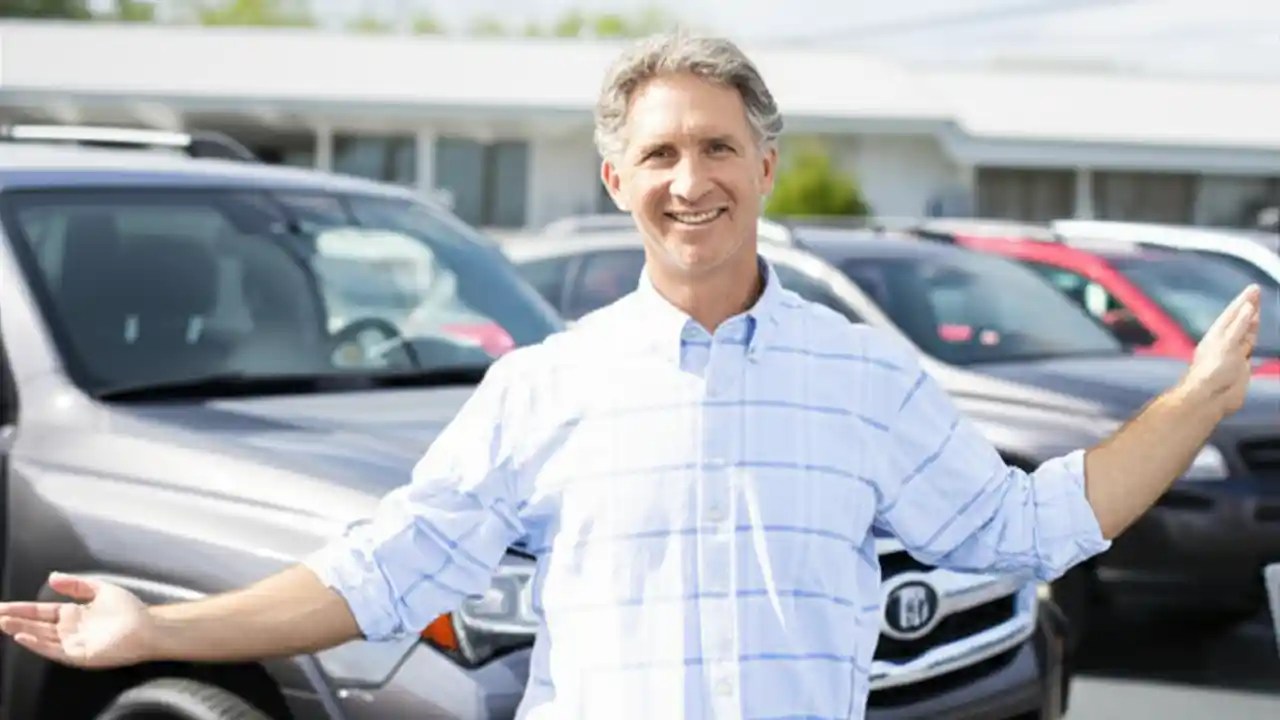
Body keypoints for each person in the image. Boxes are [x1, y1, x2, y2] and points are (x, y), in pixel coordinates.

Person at [0, 33, 1263, 719]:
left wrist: (1192, 399)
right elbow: (375, 579)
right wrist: (160, 630)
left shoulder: (865, 377)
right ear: (617, 181)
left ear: (766, 167)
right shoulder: (542, 387)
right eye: (658, 152)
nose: (689, 178)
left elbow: (1026, 527)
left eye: (718, 146)